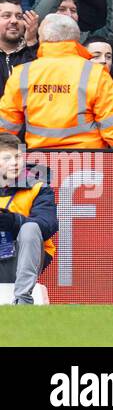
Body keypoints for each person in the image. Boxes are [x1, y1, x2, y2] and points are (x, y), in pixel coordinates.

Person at [0, 13, 113, 150]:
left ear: (42, 39)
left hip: (40, 163)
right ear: (76, 40)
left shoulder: (22, 74)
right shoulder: (95, 74)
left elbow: (4, 127)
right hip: (87, 162)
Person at [0, 131, 56, 305]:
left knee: (30, 228)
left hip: (25, 255)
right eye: (7, 158)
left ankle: (23, 299)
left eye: (18, 157)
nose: (15, 163)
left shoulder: (39, 187)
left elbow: (48, 225)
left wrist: (14, 222)